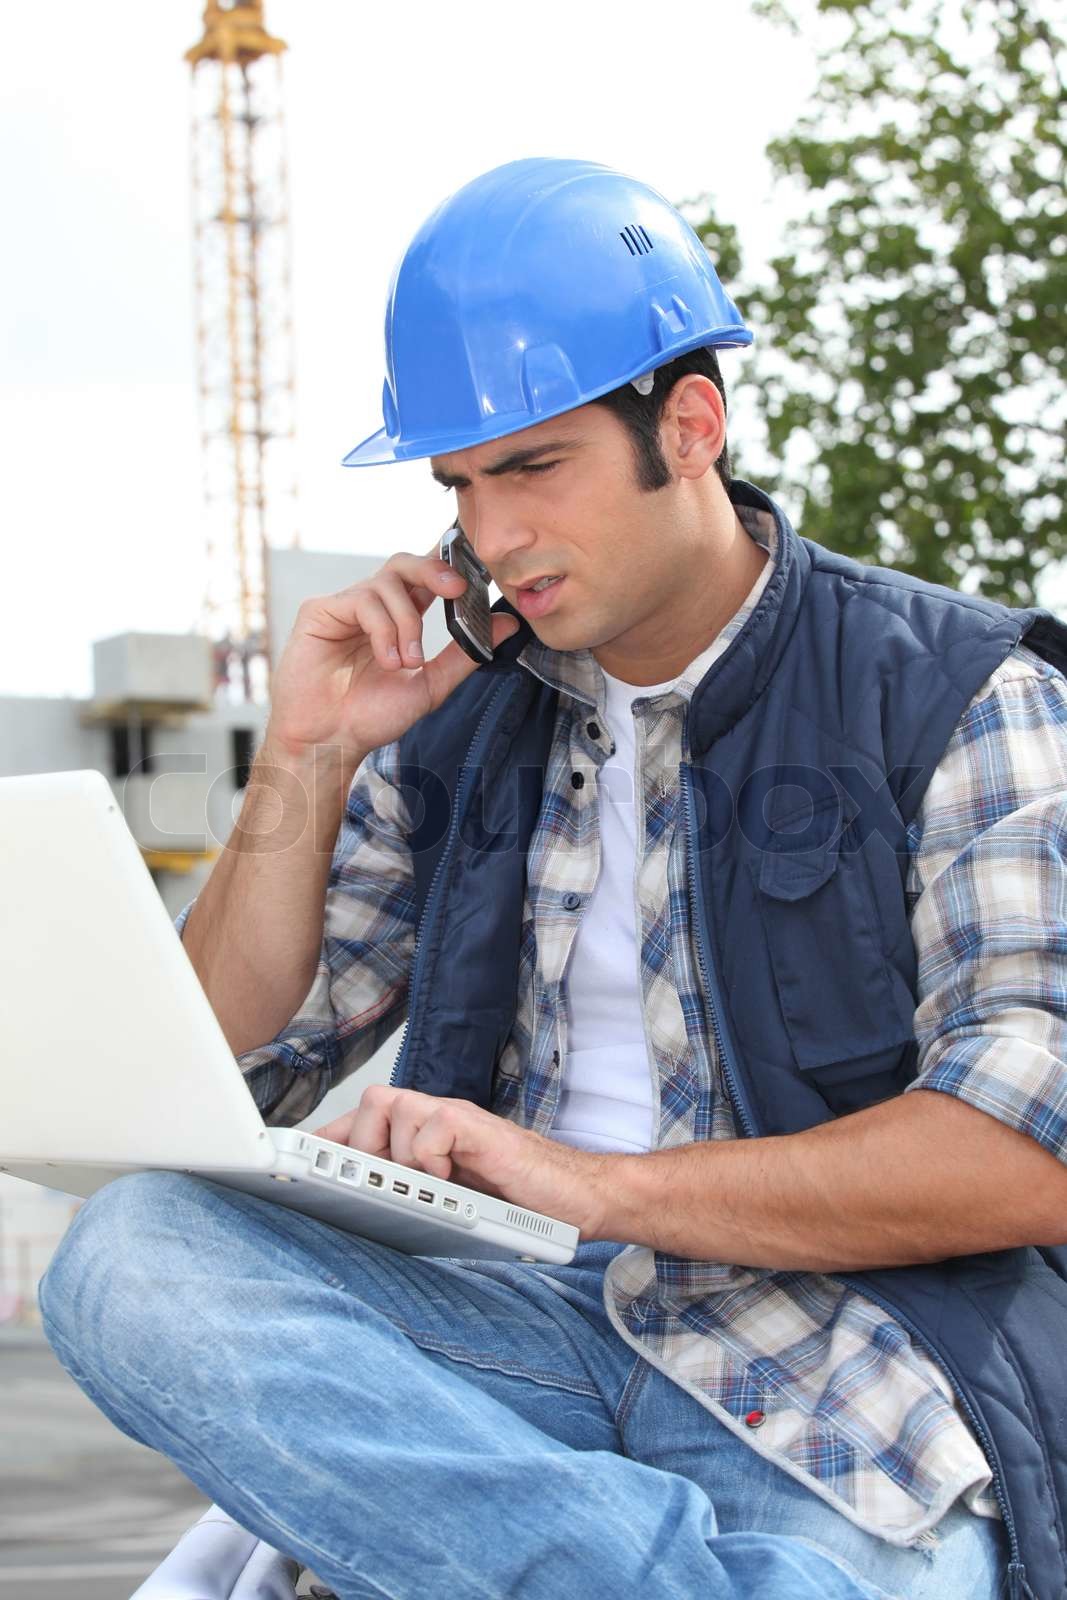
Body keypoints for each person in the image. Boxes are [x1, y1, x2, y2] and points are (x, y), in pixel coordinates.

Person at [38, 158, 1067, 1600]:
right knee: (128, 1257)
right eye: (461, 480)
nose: (493, 534)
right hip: (507, 1336)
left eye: (533, 467)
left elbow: (1023, 1157)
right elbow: (225, 1070)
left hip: (839, 1377)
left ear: (690, 429)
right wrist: (307, 760)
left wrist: (583, 1184)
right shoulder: (455, 716)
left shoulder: (961, 695)